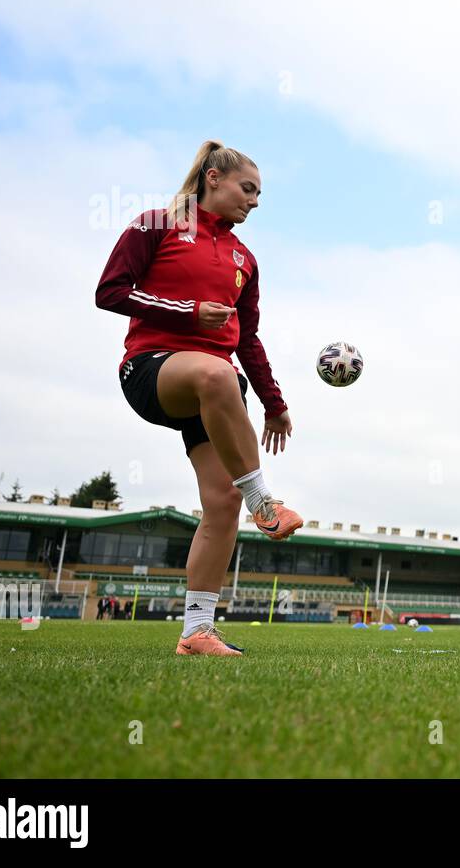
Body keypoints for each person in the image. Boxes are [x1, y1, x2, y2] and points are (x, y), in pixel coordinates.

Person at [96, 141, 303, 658]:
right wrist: (187, 312)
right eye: (247, 189)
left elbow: (248, 338)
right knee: (216, 373)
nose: (254, 201)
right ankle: (265, 502)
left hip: (216, 391)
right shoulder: (155, 225)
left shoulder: (245, 259)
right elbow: (110, 291)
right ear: (214, 178)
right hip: (151, 368)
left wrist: (274, 404)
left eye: (259, 194)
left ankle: (196, 631)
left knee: (220, 501)